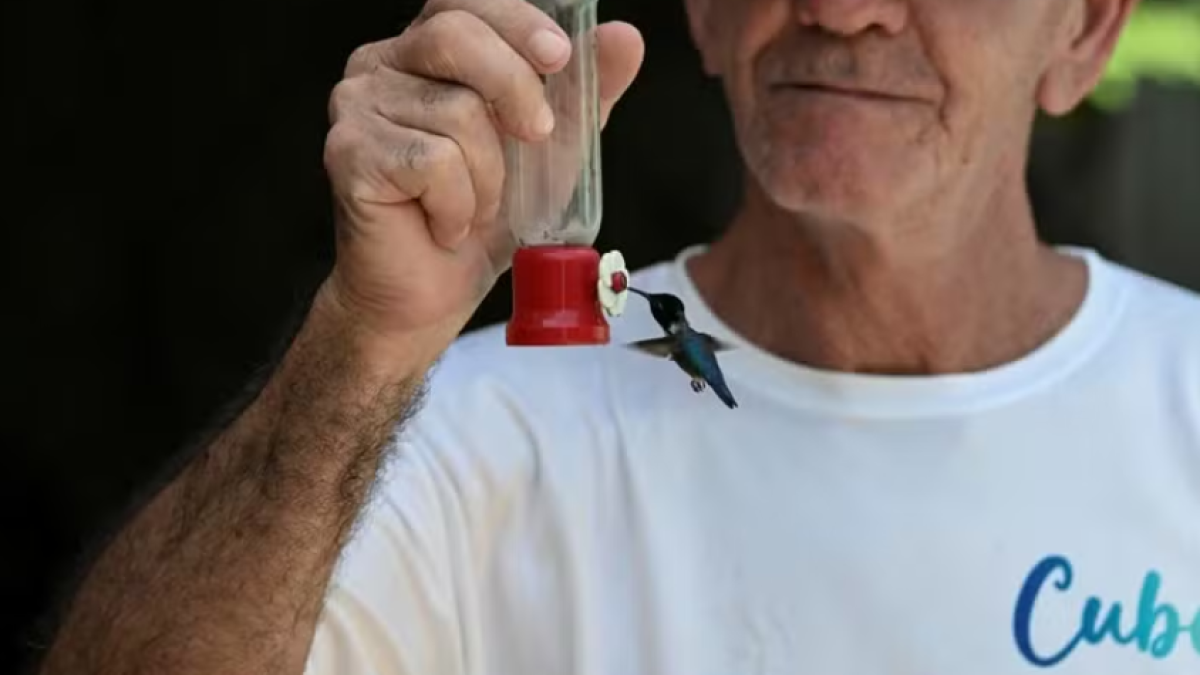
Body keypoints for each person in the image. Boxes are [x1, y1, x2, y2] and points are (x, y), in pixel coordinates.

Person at [38, 0, 1200, 673]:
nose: (844, 8)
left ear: (1086, 33)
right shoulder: (454, 426)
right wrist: (364, 342)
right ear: (701, 12)